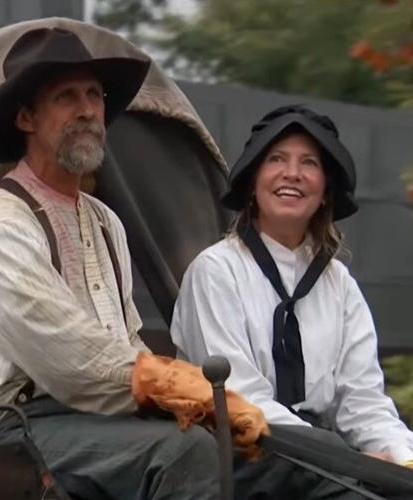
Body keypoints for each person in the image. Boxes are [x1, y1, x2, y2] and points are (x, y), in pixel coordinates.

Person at [0, 27, 264, 500]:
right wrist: (174, 384)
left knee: (250, 456)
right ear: (26, 118)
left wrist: (196, 403)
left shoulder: (104, 220)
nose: (89, 110)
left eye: (94, 95)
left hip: (90, 419)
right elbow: (67, 354)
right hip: (11, 431)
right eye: (66, 97)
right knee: (184, 453)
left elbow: (122, 339)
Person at [171, 104, 413, 497]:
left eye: (309, 163)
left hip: (325, 463)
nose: (292, 173)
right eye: (277, 159)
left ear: (324, 192)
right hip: (240, 462)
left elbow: (363, 402)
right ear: (252, 182)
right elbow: (240, 403)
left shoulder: (340, 286)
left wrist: (402, 460)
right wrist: (349, 464)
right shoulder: (215, 272)